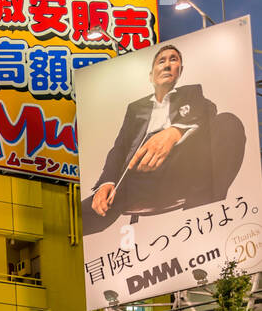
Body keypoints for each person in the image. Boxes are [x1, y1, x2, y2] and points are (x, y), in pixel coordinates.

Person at [81, 42, 246, 233]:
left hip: (183, 169)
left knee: (229, 122)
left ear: (180, 70)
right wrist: (106, 183)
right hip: (136, 179)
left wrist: (175, 132)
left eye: (173, 60)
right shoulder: (135, 108)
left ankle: (203, 214)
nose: (167, 65)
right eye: (161, 61)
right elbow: (119, 148)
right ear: (151, 76)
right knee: (79, 216)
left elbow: (208, 111)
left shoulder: (191, 93)